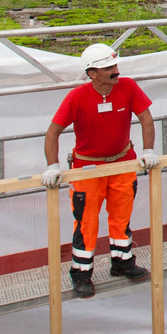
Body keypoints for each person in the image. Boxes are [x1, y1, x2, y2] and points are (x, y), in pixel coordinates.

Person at [44, 43, 159, 298]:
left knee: (121, 216)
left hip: (122, 164)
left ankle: (122, 262)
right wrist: (53, 166)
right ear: (92, 73)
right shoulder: (76, 97)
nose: (116, 71)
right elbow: (52, 132)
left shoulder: (128, 87)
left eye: (115, 66)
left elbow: (146, 119)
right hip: (88, 170)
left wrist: (148, 150)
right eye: (109, 68)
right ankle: (81, 273)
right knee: (86, 222)